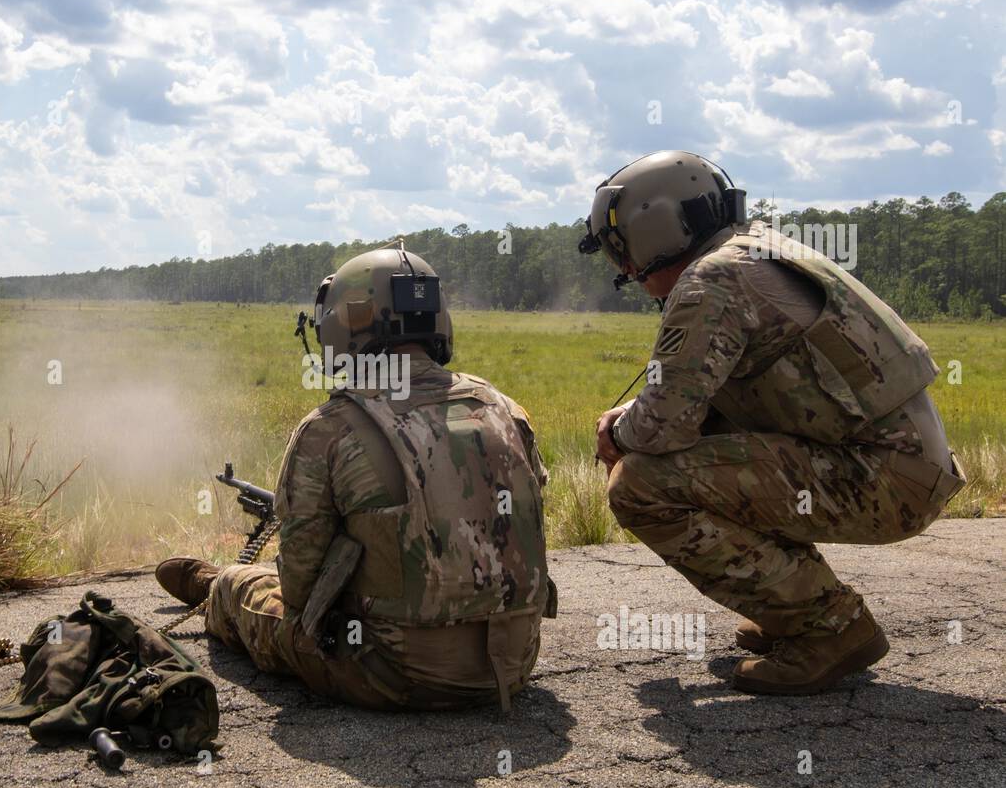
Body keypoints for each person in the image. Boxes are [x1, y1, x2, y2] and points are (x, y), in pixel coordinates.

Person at [578, 150, 965, 695]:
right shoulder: (757, 252)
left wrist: (615, 432)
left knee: (640, 483)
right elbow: (695, 405)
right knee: (702, 449)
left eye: (621, 248)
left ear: (655, 229)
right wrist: (642, 416)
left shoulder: (713, 278)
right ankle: (796, 606)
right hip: (901, 467)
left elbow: (664, 427)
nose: (621, 266)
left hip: (883, 479)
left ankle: (827, 625)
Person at [155, 247, 555, 711]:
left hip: (394, 671)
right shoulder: (505, 408)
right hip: (512, 662)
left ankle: (217, 589)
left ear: (345, 326)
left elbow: (301, 591)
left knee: (242, 590)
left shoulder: (329, 427)